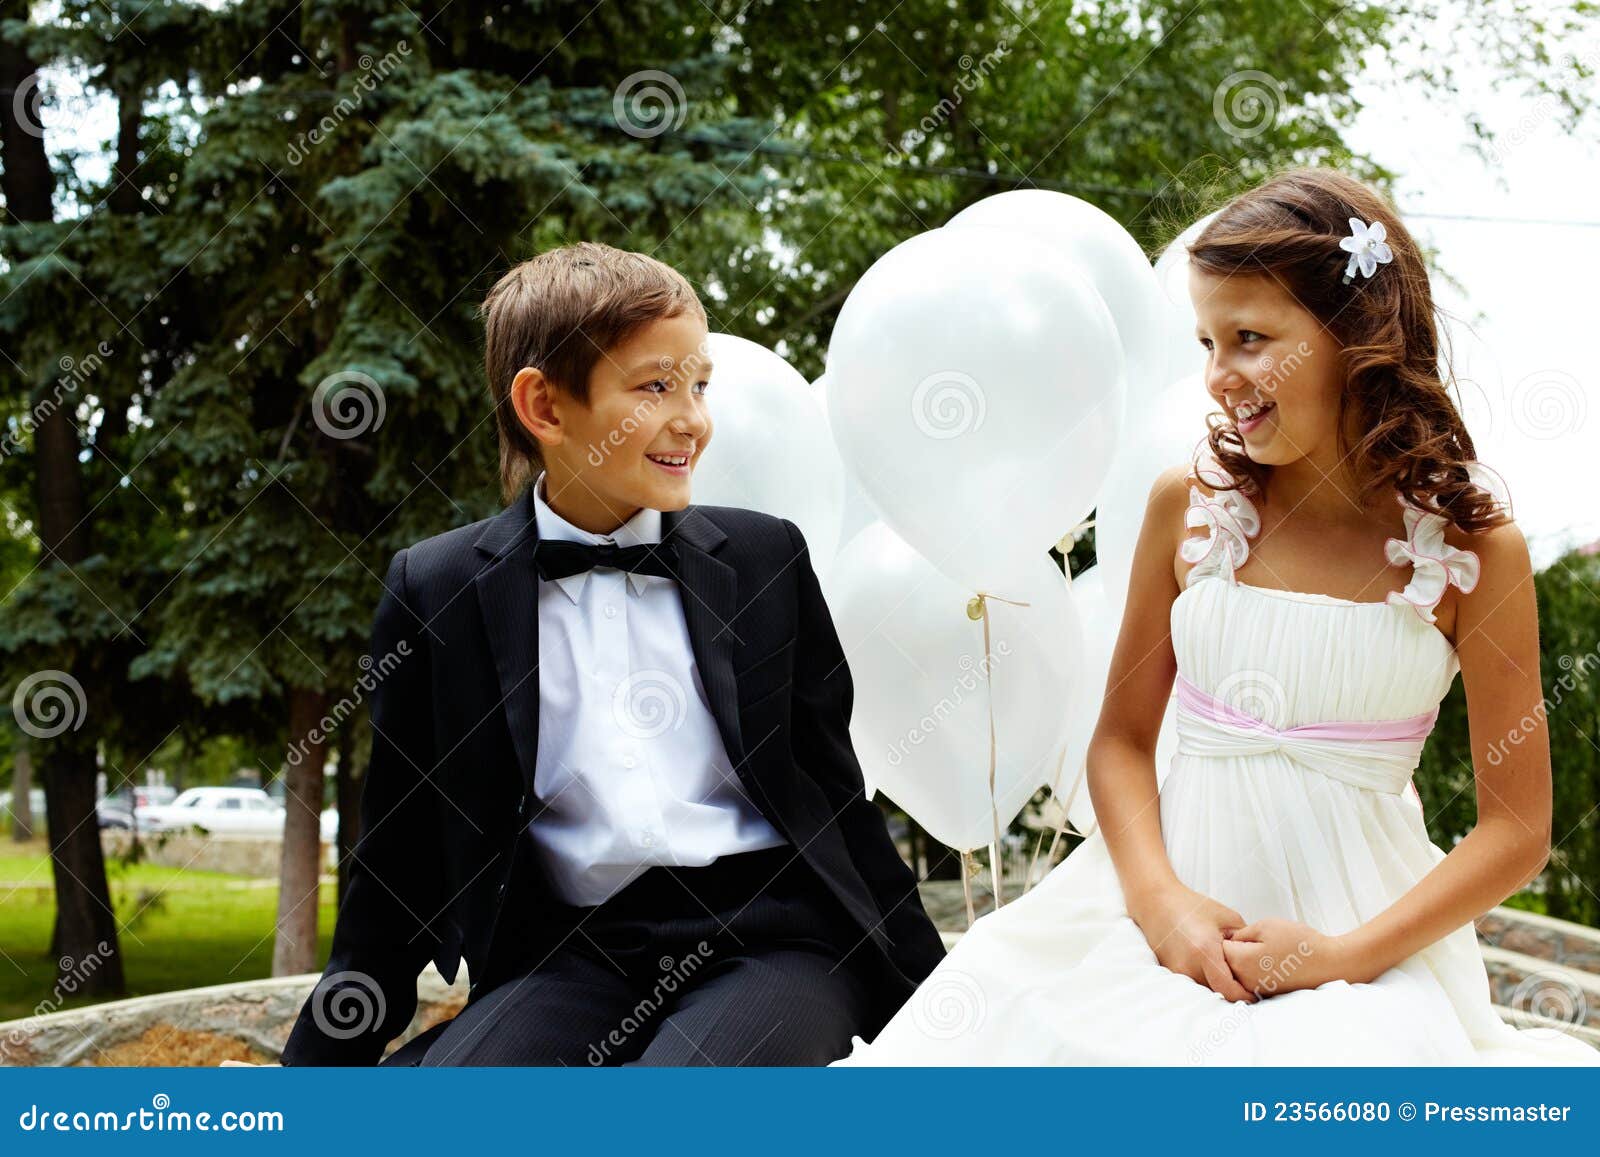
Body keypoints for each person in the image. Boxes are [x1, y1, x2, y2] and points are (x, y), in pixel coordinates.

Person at [836, 168, 1600, 1065]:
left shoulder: (1474, 549)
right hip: (1158, 906)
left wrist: (1341, 957)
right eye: (1206, 341)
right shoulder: (1188, 508)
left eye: (1248, 339)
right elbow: (1120, 739)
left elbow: (1518, 829)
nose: (1218, 377)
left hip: (1361, 936)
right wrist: (1163, 910)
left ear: (1353, 337)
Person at [279, 241, 945, 1066]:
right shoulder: (437, 588)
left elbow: (840, 807)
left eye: (699, 385)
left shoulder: (764, 561)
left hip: (774, 943)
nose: (693, 418)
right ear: (546, 408)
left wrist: (945, 1005)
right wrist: (308, 1081)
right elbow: (398, 861)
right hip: (565, 956)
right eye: (655, 386)